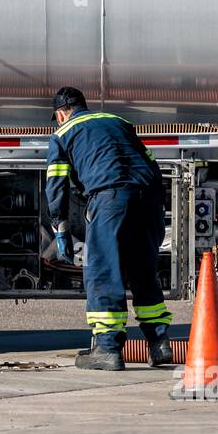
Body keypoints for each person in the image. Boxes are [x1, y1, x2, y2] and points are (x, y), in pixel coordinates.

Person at [45, 87, 173, 370]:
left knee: (103, 270)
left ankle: (107, 348)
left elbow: (56, 186)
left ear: (61, 113)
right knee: (143, 270)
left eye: (56, 118)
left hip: (111, 197)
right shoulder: (118, 122)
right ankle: (159, 343)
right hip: (148, 196)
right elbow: (150, 162)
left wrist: (60, 228)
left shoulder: (63, 134)